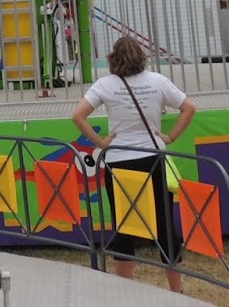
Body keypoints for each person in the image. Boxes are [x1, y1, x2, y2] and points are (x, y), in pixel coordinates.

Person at [72, 34, 196, 292]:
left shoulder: (105, 85)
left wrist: (101, 142)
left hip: (118, 161)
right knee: (164, 223)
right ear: (141, 57)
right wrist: (170, 137)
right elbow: (189, 108)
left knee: (124, 224)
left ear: (112, 59)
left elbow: (78, 115)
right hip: (152, 157)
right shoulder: (157, 81)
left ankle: (125, 290)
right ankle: (176, 290)